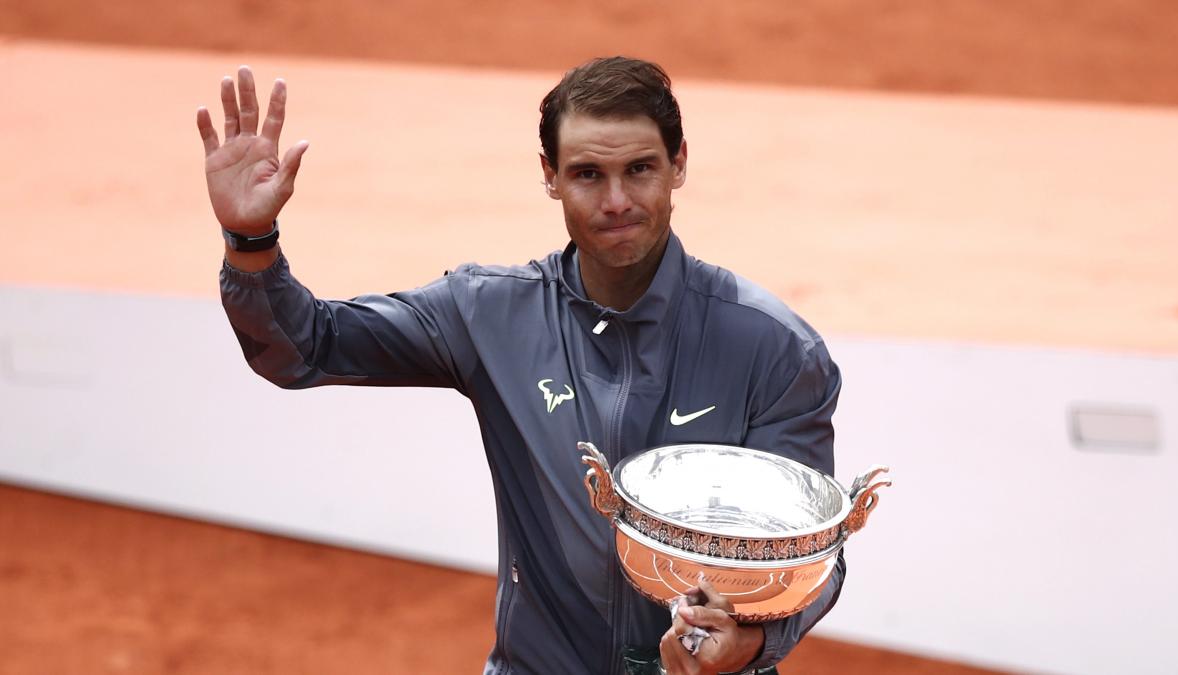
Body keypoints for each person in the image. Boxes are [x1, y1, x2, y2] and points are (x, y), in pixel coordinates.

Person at [196, 56, 844, 675]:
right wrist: (251, 243)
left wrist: (752, 640)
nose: (616, 200)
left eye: (639, 169)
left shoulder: (773, 348)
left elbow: (815, 552)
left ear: (678, 165)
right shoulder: (489, 312)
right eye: (588, 173)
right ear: (550, 175)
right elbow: (305, 346)